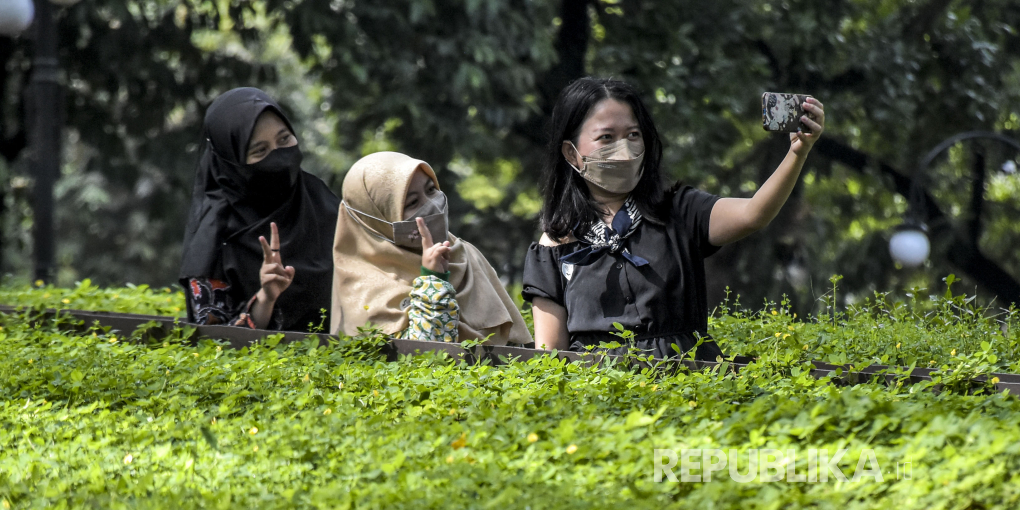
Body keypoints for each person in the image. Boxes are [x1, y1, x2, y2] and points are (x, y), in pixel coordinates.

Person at [521, 77, 823, 359]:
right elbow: (550, 357)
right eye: (606, 137)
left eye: (633, 135)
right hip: (600, 397)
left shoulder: (680, 210)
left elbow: (754, 213)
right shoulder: (556, 243)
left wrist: (797, 153)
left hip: (688, 386)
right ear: (572, 154)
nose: (623, 149)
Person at [179, 87, 339, 331]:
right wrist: (266, 298)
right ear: (231, 163)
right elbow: (212, 343)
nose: (280, 157)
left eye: (284, 139)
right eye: (260, 151)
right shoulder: (214, 238)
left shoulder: (322, 204)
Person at [329, 152, 530, 345]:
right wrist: (433, 281)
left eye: (431, 189)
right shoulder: (364, 285)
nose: (432, 204)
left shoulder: (464, 255)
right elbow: (421, 359)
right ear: (378, 221)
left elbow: (513, 347)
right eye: (413, 202)